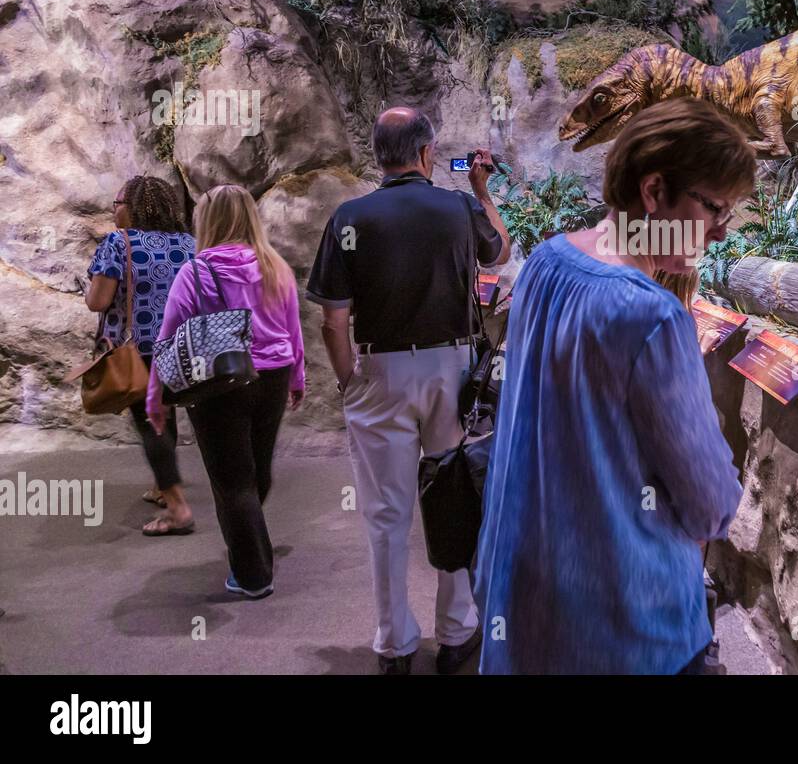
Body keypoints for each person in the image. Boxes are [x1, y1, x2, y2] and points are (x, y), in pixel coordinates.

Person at [475, 96, 753, 674]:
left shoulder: (546, 264)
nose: (722, 233)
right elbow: (709, 504)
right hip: (629, 628)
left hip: (527, 604)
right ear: (654, 193)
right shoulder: (650, 315)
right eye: (715, 209)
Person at [306, 107, 511, 675]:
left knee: (385, 511)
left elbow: (333, 320)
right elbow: (501, 253)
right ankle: (456, 630)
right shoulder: (458, 208)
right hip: (452, 370)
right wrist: (480, 187)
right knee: (451, 496)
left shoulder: (350, 217)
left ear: (380, 156)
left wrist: (350, 380)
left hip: (379, 373)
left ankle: (394, 644)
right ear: (425, 154)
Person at [145, 185, 305, 599]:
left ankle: (253, 575)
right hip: (271, 376)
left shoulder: (194, 272)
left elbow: (167, 341)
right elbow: (293, 328)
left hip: (217, 381)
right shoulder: (276, 267)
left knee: (233, 481)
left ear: (208, 221)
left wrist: (155, 397)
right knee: (257, 471)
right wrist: (298, 377)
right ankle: (249, 539)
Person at [85, 176, 197, 536]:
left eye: (118, 203)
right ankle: (164, 488)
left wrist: (88, 292)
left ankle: (179, 509)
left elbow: (98, 301)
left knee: (151, 422)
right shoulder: (188, 242)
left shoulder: (119, 243)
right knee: (167, 411)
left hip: (142, 348)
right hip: (184, 346)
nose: (114, 210)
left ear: (133, 208)